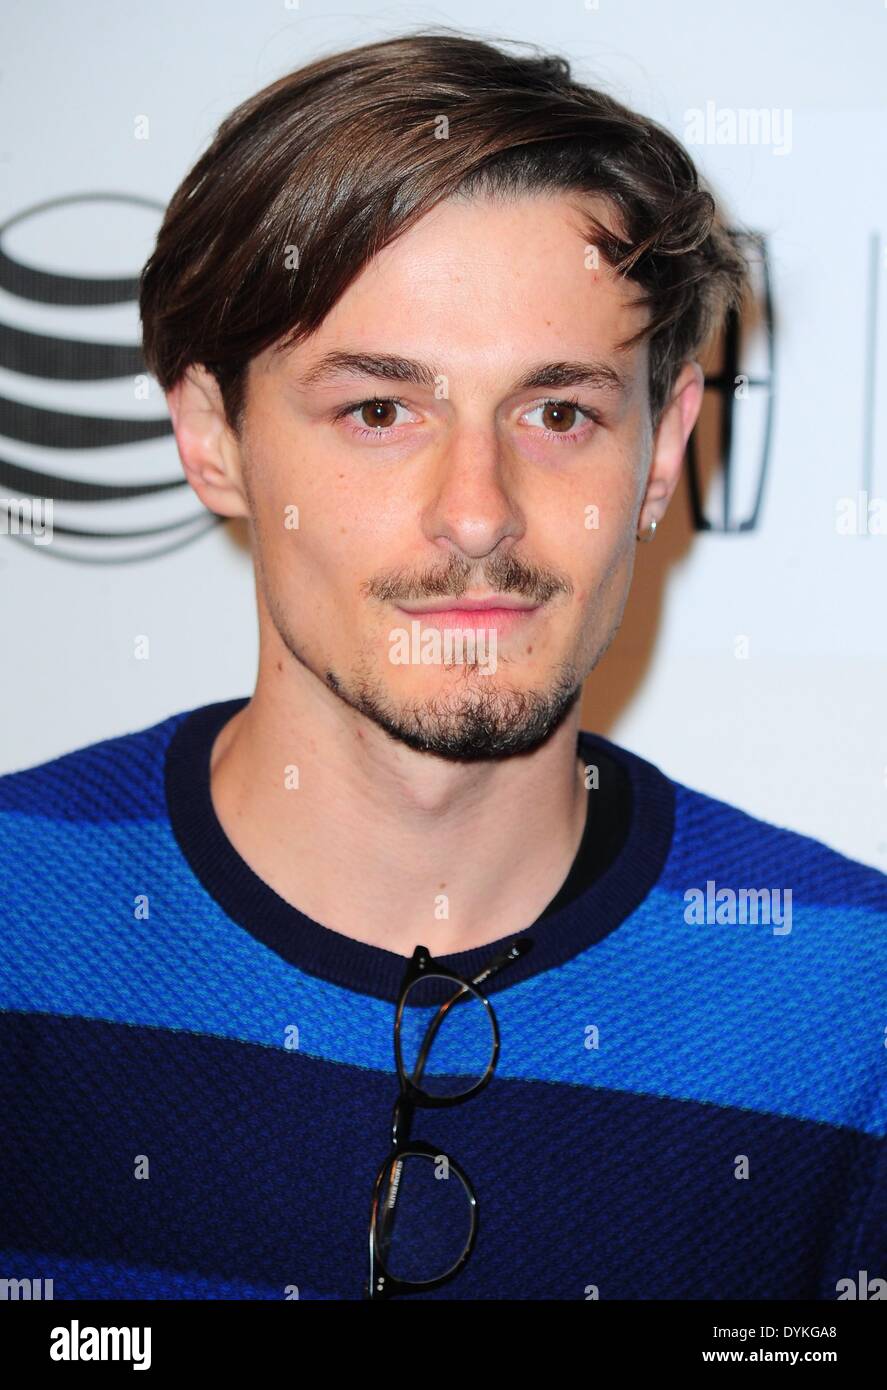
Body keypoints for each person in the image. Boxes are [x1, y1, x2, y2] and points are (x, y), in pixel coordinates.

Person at [1, 29, 884, 1302]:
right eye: (377, 410)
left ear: (658, 451)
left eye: (557, 412)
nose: (476, 511)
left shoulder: (844, 1005)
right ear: (213, 437)